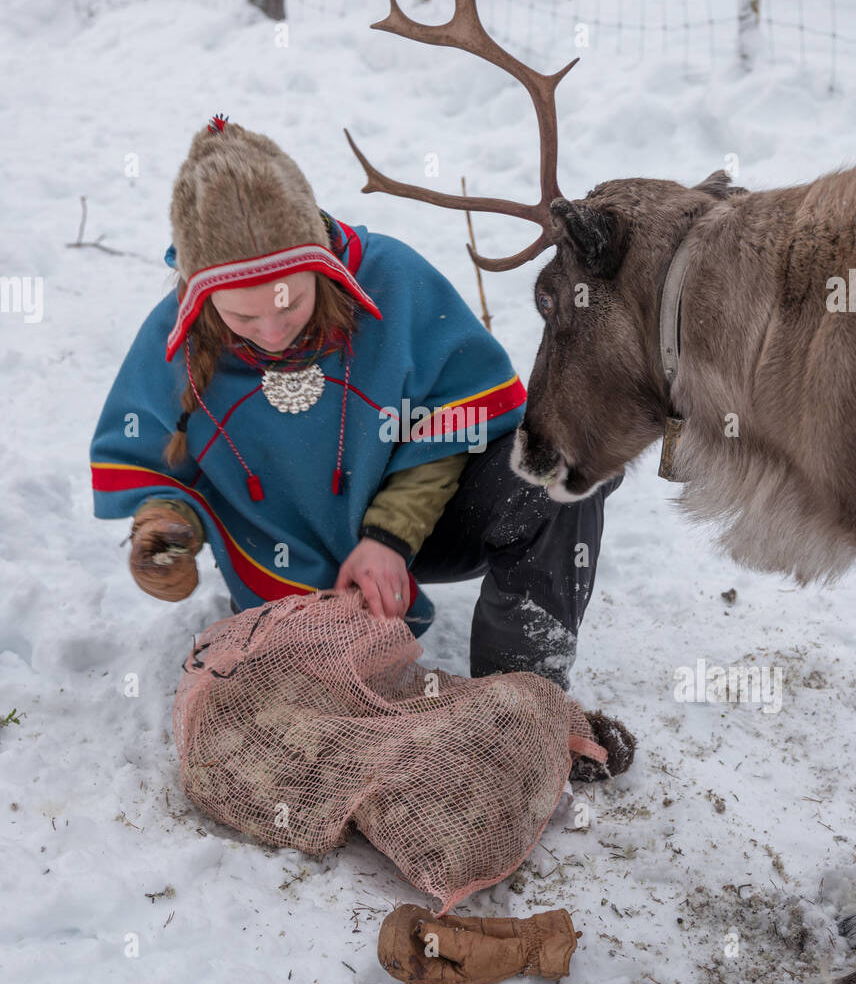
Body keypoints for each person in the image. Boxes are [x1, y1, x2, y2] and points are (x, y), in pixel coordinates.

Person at [89, 116, 621, 691]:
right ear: (199, 293)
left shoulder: (392, 281)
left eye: (289, 303)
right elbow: (153, 464)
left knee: (551, 477)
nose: (271, 331)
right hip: (284, 552)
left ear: (321, 263)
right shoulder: (178, 339)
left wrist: (389, 537)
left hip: (425, 524)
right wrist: (166, 529)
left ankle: (522, 702)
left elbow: (456, 420)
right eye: (241, 315)